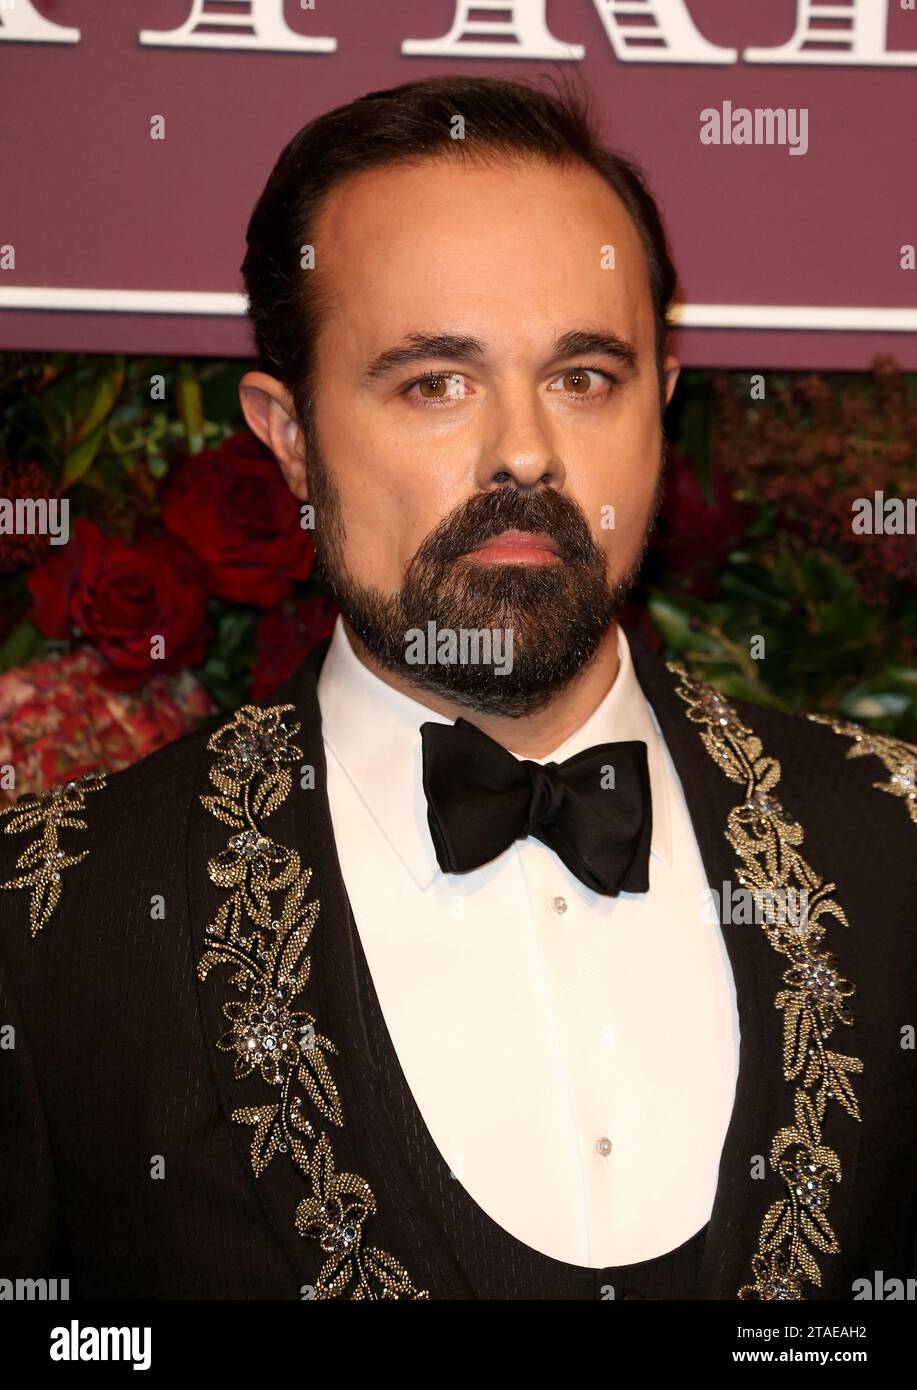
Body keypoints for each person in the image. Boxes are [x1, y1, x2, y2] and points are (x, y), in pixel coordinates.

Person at [1, 74, 914, 1303]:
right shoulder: (48, 925)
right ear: (287, 437)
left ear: (664, 406)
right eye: (434, 381)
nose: (523, 451)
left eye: (584, 375)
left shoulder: (895, 842)